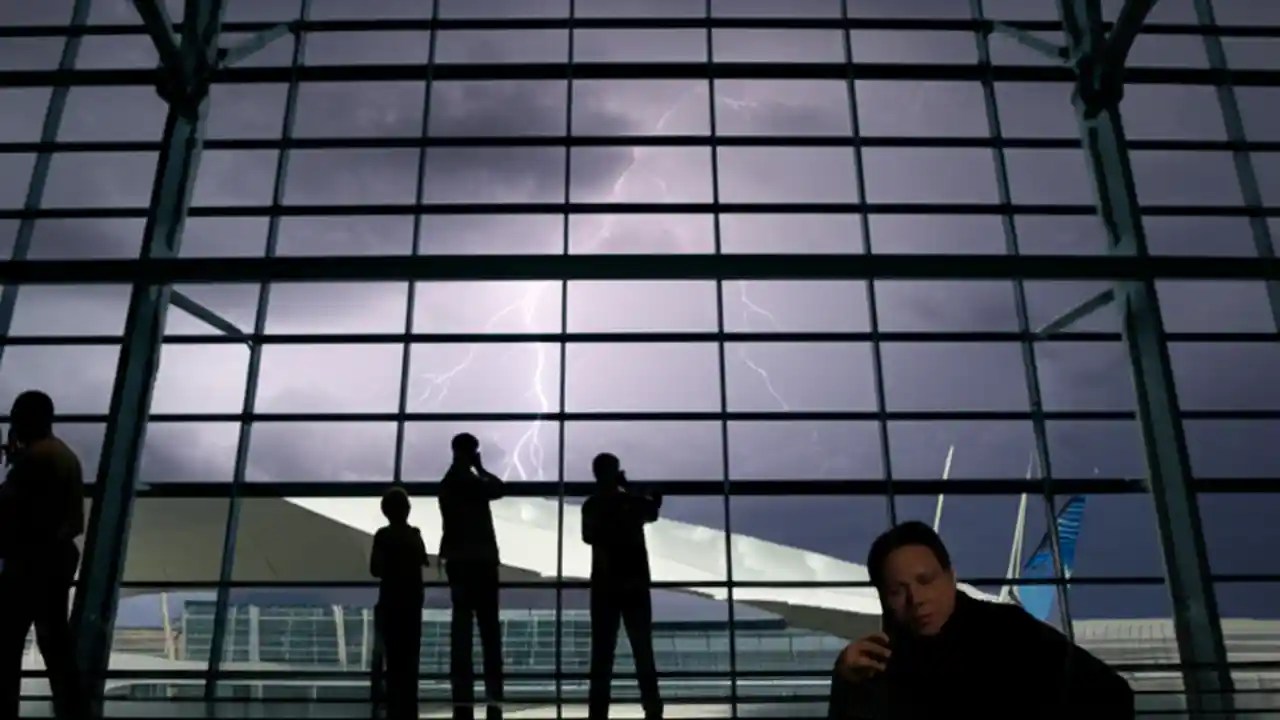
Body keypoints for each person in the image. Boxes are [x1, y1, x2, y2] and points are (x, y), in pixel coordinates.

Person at [827, 521, 1134, 719]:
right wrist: (847, 683)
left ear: (951, 577)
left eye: (926, 581)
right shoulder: (876, 663)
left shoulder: (1009, 632)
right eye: (897, 591)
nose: (915, 598)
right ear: (883, 598)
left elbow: (1111, 694)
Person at [0, 390, 88, 719]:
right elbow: (73, 521)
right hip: (53, 561)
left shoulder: (34, 461)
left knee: (7, 642)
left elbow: (9, 511)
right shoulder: (64, 456)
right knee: (55, 643)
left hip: (30, 564)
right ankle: (73, 708)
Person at [581, 452, 663, 720]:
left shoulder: (591, 505)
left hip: (604, 586)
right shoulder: (630, 503)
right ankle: (652, 707)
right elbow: (653, 510)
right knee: (642, 650)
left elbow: (588, 536)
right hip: (634, 584)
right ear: (616, 472)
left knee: (602, 654)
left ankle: (598, 711)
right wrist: (629, 488)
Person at [439, 433, 505, 720]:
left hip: (458, 563)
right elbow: (499, 489)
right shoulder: (471, 482)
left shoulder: (447, 483)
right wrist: (481, 468)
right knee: (489, 632)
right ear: (471, 452)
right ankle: (494, 696)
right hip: (481, 563)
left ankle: (463, 696)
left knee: (462, 632)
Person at [370, 486, 429, 720]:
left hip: (390, 600)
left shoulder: (383, 536)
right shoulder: (414, 535)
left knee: (389, 652)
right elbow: (422, 562)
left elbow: (375, 569)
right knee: (409, 654)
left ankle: (387, 695)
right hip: (411, 603)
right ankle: (406, 697)